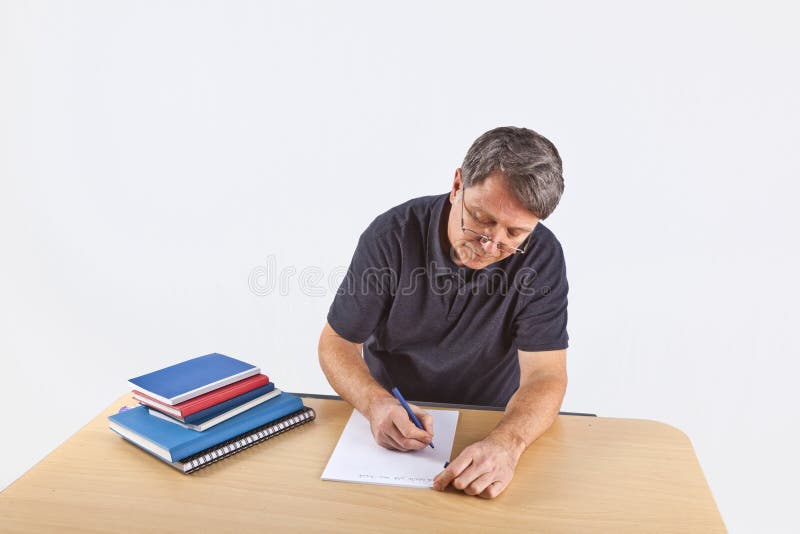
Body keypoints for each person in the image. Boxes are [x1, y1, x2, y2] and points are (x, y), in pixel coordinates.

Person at [318, 126, 569, 499]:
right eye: (481, 218)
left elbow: (546, 375)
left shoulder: (542, 257)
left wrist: (507, 443)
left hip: (492, 421)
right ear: (457, 185)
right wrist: (375, 404)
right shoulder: (391, 237)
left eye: (514, 233)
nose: (490, 244)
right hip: (391, 417)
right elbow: (336, 342)